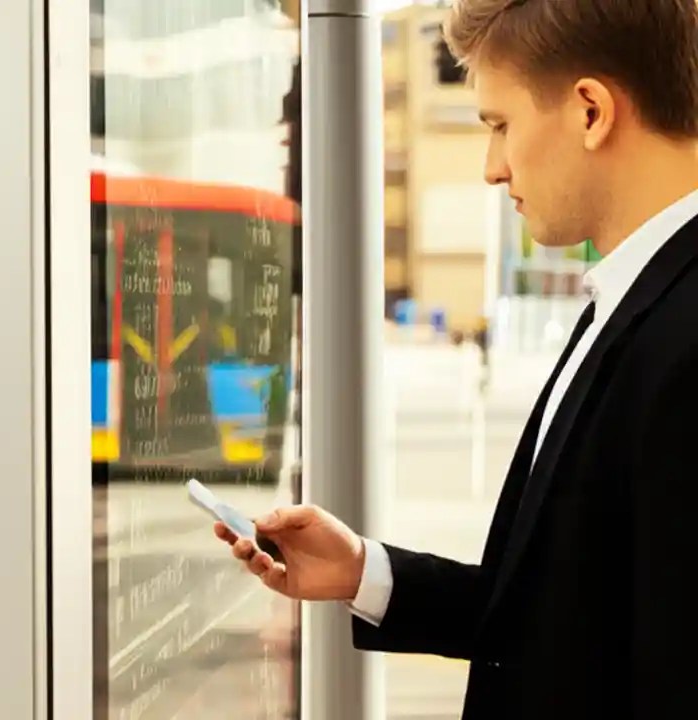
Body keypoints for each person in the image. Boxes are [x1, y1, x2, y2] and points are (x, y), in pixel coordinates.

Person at [215, 0, 698, 716]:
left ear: (591, 111)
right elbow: (564, 617)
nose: (492, 168)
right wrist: (365, 573)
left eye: (500, 125)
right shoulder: (631, 300)